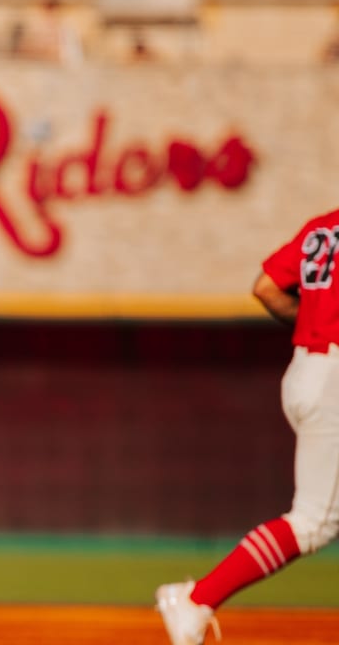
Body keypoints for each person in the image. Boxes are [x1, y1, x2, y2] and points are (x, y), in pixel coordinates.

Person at [155, 206, 339, 645]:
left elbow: (267, 288)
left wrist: (315, 318)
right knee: (313, 521)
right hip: (334, 379)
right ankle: (197, 598)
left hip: (307, 369)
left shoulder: (324, 225)